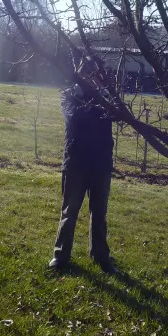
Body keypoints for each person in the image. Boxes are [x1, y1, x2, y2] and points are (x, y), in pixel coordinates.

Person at [48, 55, 118, 274]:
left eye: (95, 72)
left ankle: (100, 256)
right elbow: (74, 118)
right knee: (69, 212)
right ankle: (61, 256)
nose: (91, 76)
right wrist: (97, 108)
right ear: (80, 73)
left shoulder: (107, 97)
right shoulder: (69, 96)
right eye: (87, 72)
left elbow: (117, 114)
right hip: (76, 162)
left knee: (99, 214)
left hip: (101, 163)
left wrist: (103, 98)